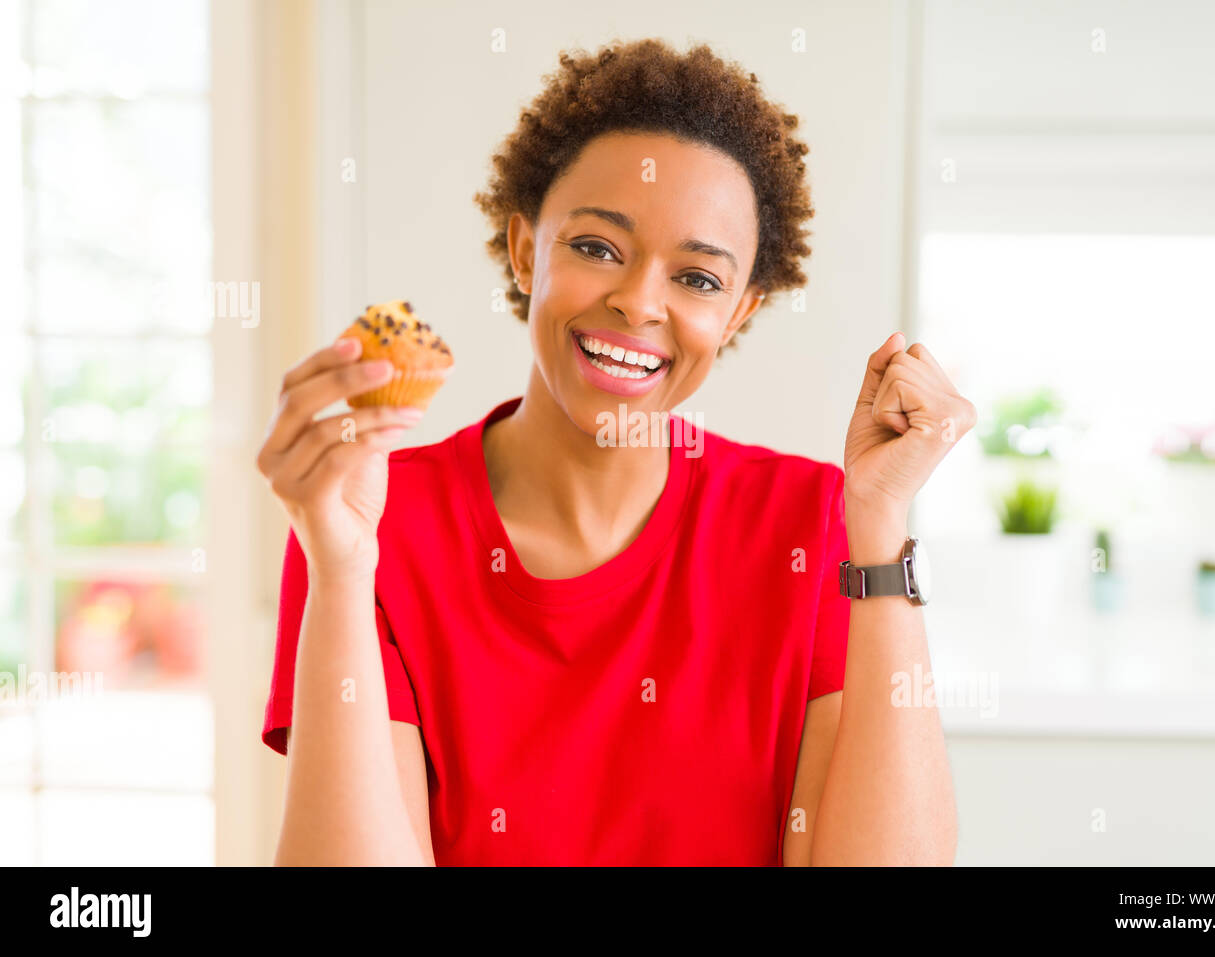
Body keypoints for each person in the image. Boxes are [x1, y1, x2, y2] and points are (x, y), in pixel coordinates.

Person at [256, 38, 972, 866]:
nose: (637, 302)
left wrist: (880, 527)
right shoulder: (368, 519)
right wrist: (341, 571)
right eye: (597, 247)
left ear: (738, 311)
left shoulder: (817, 524)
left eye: (698, 279)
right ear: (528, 252)